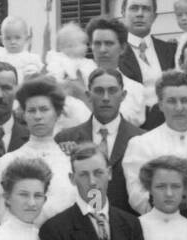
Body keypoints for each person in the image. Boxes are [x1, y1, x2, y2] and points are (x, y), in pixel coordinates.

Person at [122, 70, 187, 221]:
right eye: (171, 101)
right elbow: (137, 195)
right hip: (162, 224)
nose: (179, 108)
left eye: (185, 100)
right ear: (160, 104)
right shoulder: (142, 144)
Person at [55, 66, 145, 215]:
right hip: (80, 225)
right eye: (98, 91)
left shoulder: (141, 139)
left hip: (127, 227)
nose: (105, 97)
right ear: (88, 95)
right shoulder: (66, 138)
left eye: (112, 90)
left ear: (123, 95)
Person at [0, 77, 76, 217]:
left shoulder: (70, 160)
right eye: (31, 110)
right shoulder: (7, 161)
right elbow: (3, 214)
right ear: (24, 115)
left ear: (57, 114)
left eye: (44, 109)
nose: (38, 116)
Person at [86, 16, 149, 126]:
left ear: (122, 48)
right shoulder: (79, 80)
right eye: (97, 44)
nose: (102, 50)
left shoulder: (135, 89)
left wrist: (81, 96)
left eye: (109, 43)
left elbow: (121, 123)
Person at [119, 0, 177, 104]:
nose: (140, 14)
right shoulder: (115, 52)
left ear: (154, 16)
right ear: (123, 13)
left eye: (146, 9)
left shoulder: (170, 51)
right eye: (134, 8)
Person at [0, 15, 45, 82]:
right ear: (1, 40)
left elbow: (39, 75)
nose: (13, 42)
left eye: (17, 38)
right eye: (8, 38)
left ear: (26, 39)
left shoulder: (30, 58)